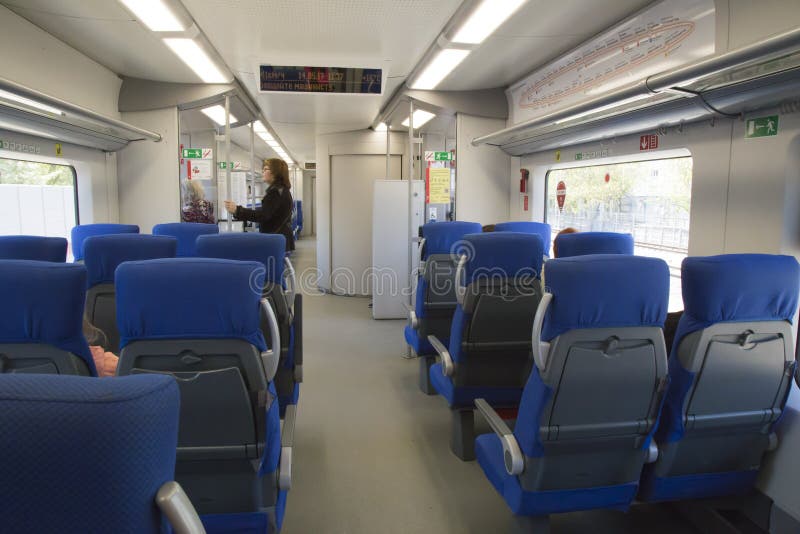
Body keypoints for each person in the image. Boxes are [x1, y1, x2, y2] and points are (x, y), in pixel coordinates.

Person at [224, 158, 295, 252]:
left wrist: (238, 210)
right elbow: (268, 212)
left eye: (266, 169)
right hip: (280, 237)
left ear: (275, 172)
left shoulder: (275, 192)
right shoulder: (282, 190)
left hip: (274, 239)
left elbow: (263, 215)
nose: (263, 172)